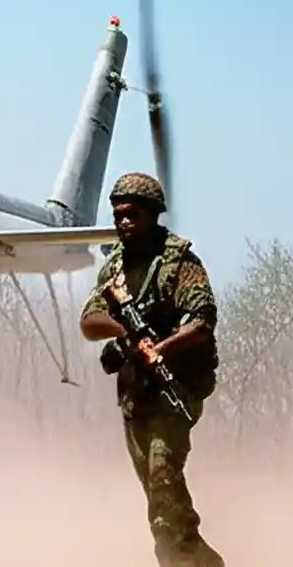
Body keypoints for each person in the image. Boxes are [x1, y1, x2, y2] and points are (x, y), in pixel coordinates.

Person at [78, 172, 225, 567]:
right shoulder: (113, 270)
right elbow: (90, 321)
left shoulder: (178, 262)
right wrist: (126, 332)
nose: (123, 223)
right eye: (118, 215)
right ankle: (194, 558)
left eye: (133, 215)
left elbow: (202, 320)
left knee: (162, 478)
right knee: (160, 498)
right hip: (136, 395)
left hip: (175, 388)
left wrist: (158, 349)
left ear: (152, 216)